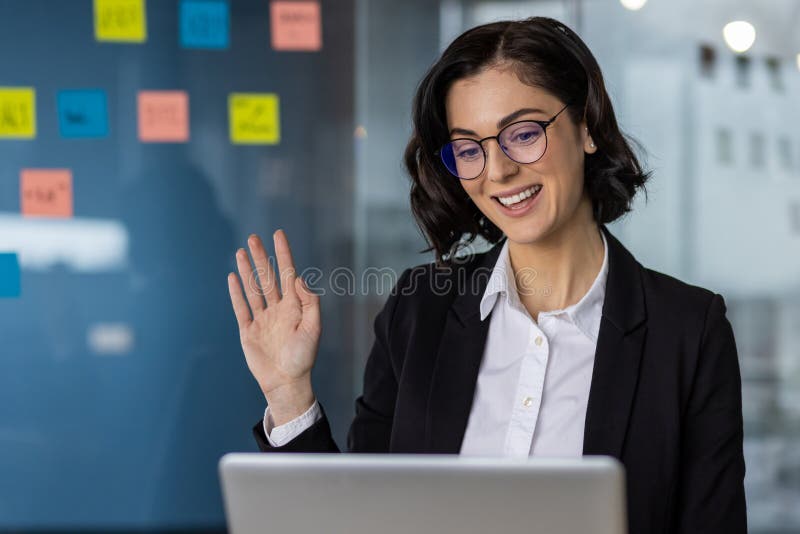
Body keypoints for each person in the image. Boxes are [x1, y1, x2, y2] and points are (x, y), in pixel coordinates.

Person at [226, 16, 747, 533]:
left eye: (523, 133)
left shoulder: (687, 331)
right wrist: (288, 393)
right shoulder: (419, 310)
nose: (498, 171)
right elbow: (354, 518)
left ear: (587, 126)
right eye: (469, 149)